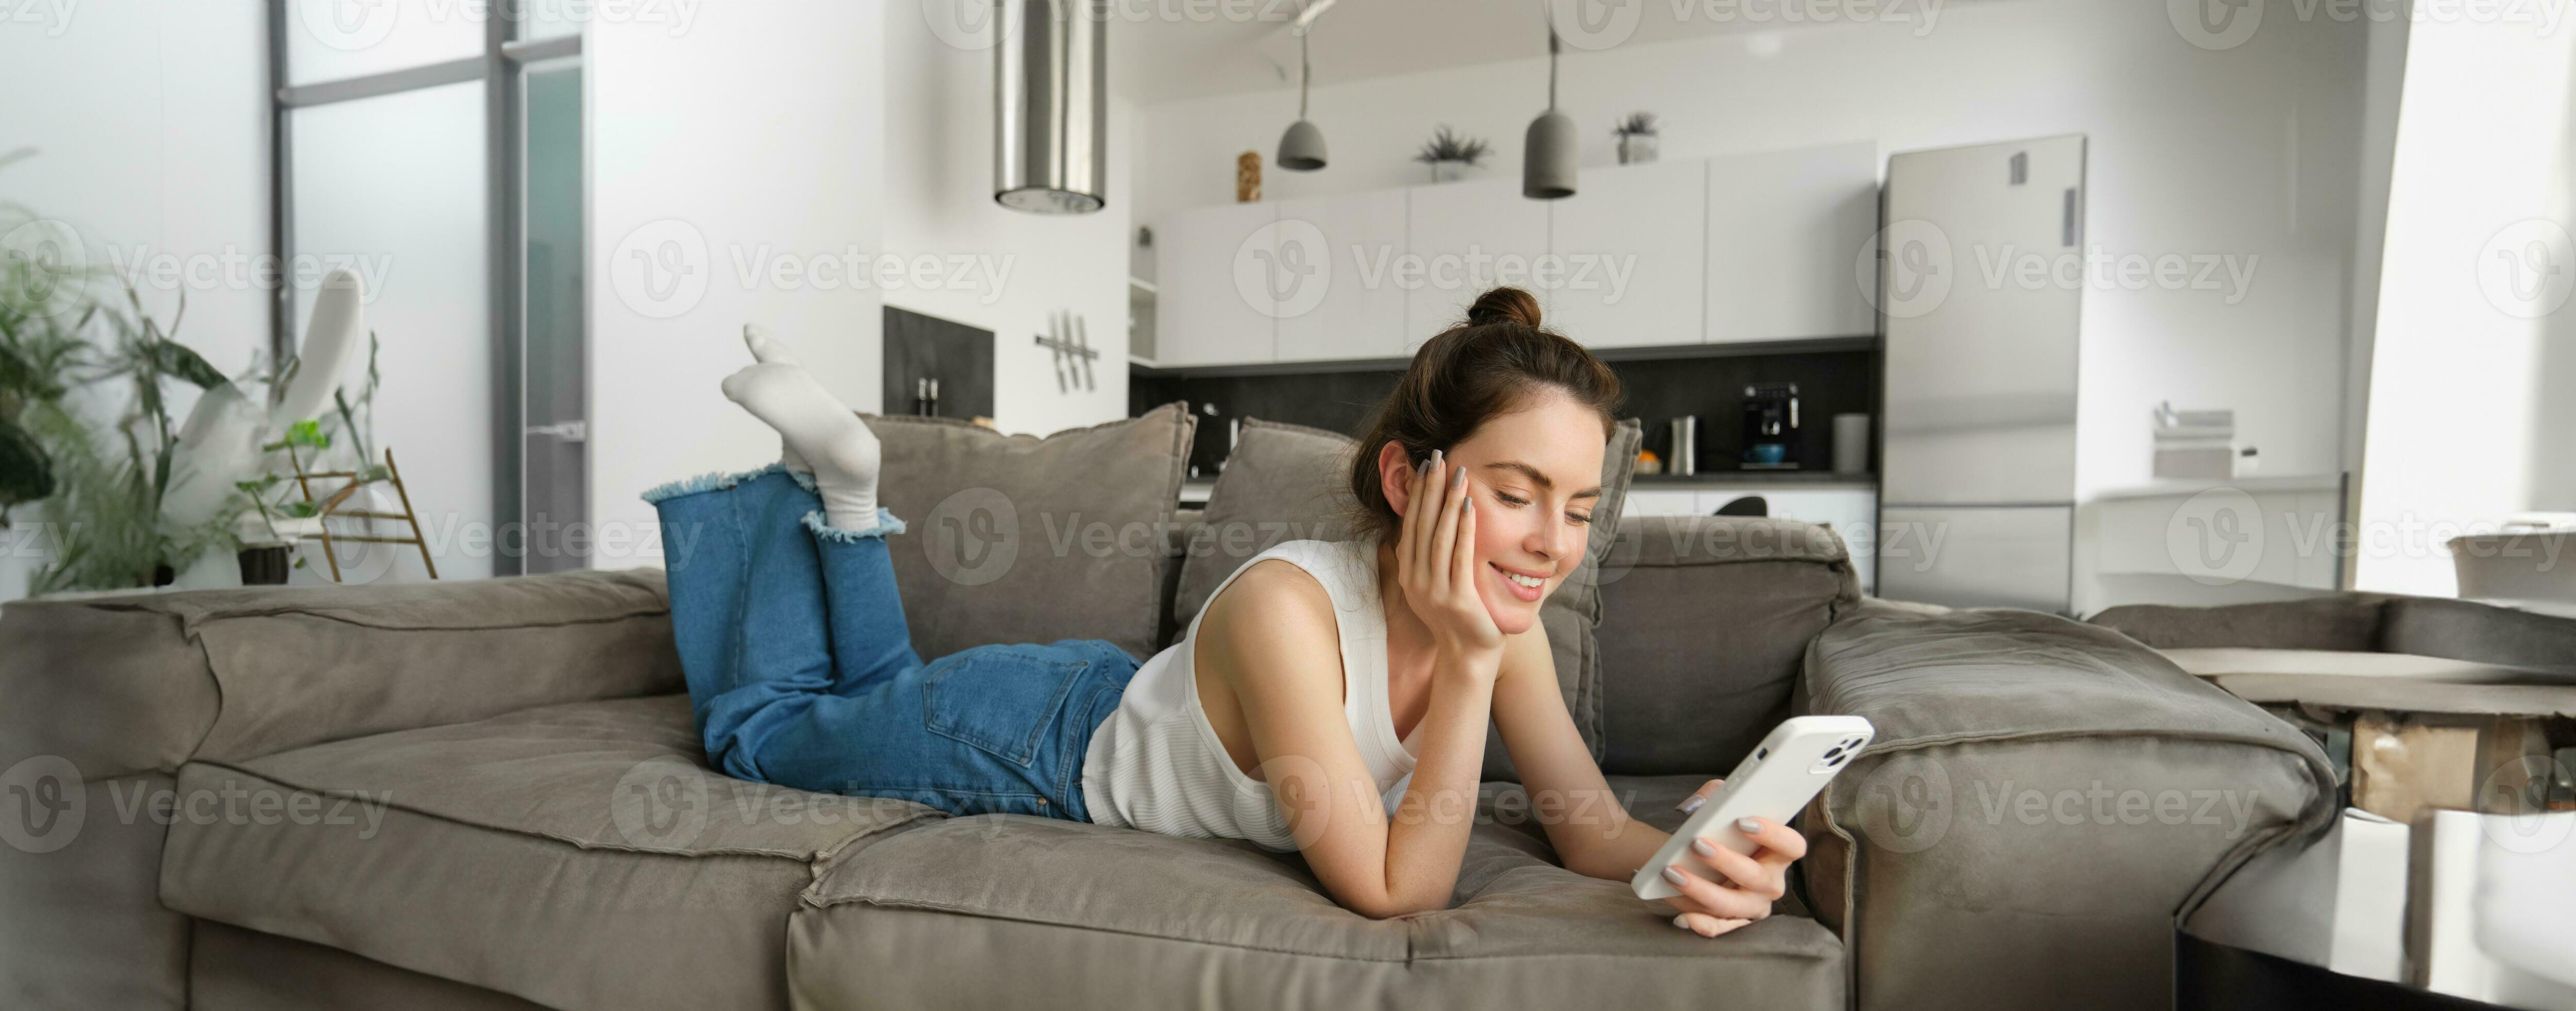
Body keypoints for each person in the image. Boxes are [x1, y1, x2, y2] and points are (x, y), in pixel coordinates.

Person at [647, 287, 1804, 936]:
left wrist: (1703, 852)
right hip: (1036, 740)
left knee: (869, 696)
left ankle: (854, 490)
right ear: (1409, 482)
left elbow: (1587, 824)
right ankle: (838, 486)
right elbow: (1398, 888)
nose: (1554, 541)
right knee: (761, 735)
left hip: (1104, 698)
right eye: (1515, 496)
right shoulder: (1288, 611)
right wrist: (1464, 661)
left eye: (1580, 507)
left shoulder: (1505, 626)